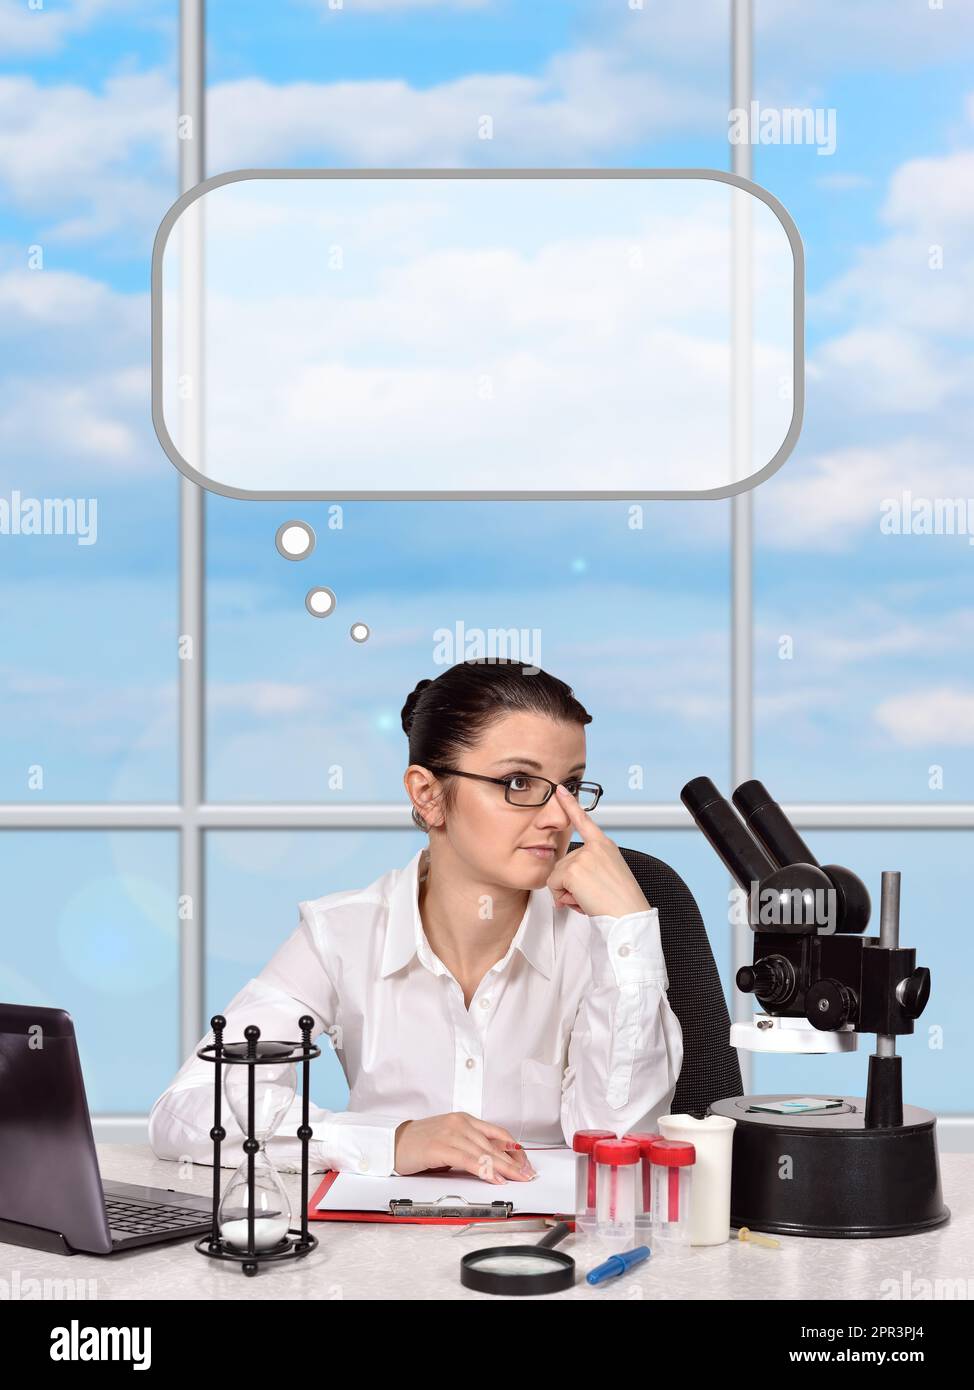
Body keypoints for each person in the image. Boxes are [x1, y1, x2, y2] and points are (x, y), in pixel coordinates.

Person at [148, 658, 683, 1183]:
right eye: (518, 782)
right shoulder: (342, 933)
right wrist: (392, 1141)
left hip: (552, 1254)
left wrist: (628, 929)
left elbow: (617, 1143)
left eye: (571, 786)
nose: (557, 817)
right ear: (428, 794)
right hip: (376, 1256)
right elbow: (189, 1111)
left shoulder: (599, 942)